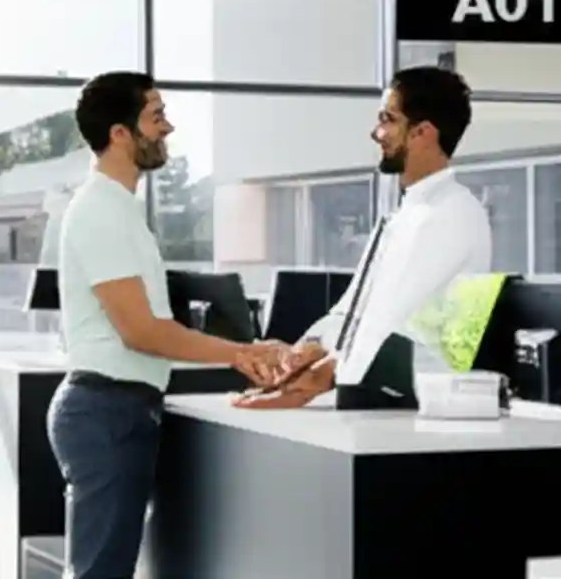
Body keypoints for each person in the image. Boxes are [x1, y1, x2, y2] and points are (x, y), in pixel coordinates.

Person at [46, 71, 286, 578]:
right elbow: (142, 331)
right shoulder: (99, 212)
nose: (168, 127)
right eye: (155, 117)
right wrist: (241, 353)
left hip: (122, 408)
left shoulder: (121, 211)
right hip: (106, 411)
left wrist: (237, 352)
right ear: (119, 133)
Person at [235, 66, 492, 409]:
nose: (377, 133)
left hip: (415, 405)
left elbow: (393, 325)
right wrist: (305, 351)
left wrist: (317, 377)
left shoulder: (453, 214)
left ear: (423, 133)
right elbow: (352, 309)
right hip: (376, 396)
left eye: (388, 119)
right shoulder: (401, 217)